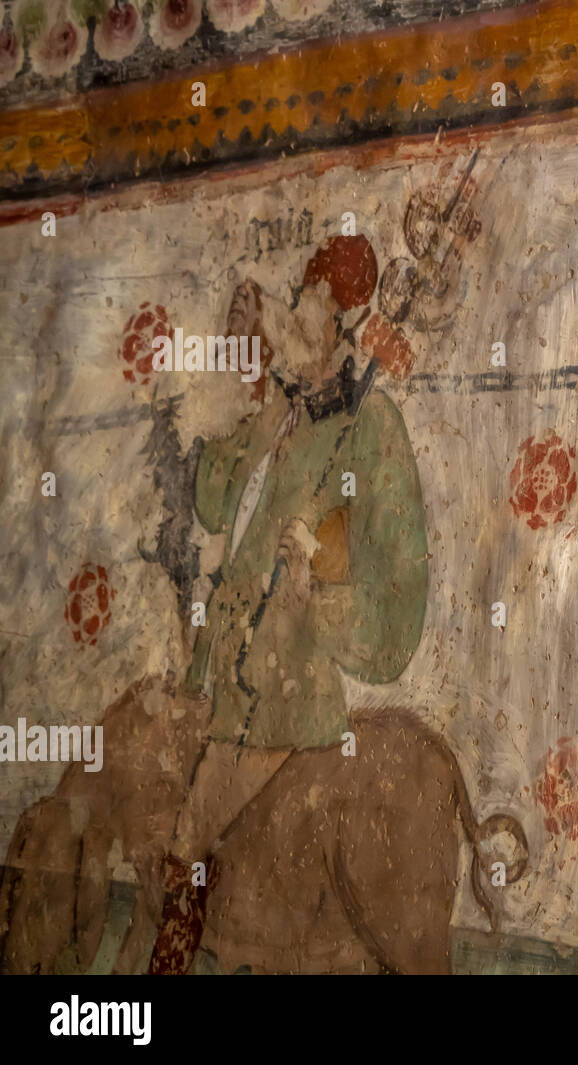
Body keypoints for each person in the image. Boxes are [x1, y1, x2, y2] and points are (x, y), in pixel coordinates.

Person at [145, 235, 429, 974]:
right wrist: (197, 395)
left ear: (340, 323)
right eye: (292, 299)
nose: (286, 318)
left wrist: (318, 582)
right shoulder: (278, 414)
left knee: (187, 842)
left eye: (302, 305)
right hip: (218, 687)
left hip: (281, 703)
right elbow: (209, 496)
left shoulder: (372, 430)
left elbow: (399, 601)